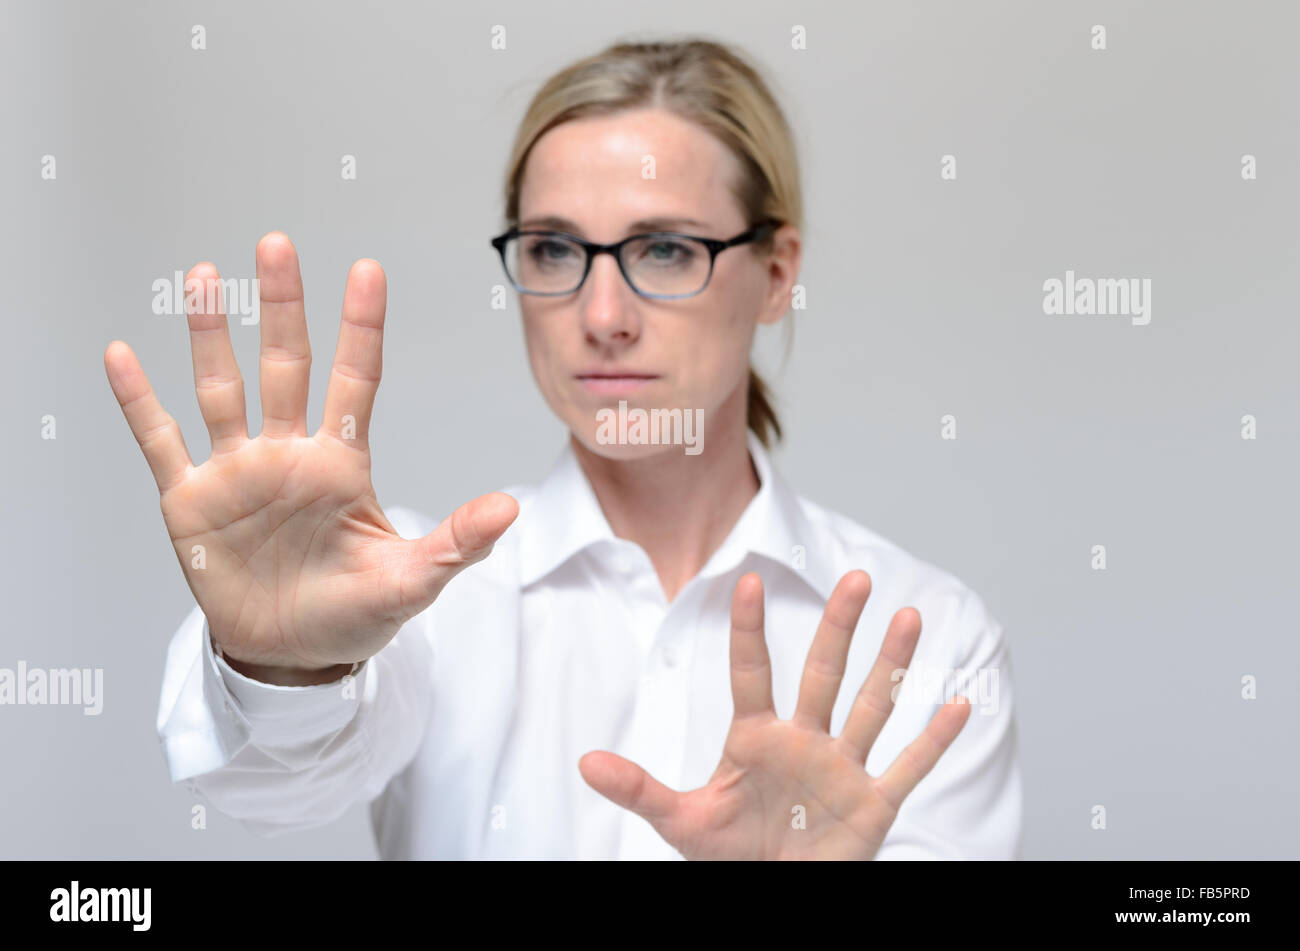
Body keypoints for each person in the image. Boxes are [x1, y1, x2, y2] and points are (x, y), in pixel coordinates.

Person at [104, 38, 1022, 859]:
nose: (602, 316)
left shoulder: (929, 636)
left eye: (664, 249)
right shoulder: (412, 602)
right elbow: (278, 782)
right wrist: (284, 664)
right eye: (552, 251)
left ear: (778, 272)